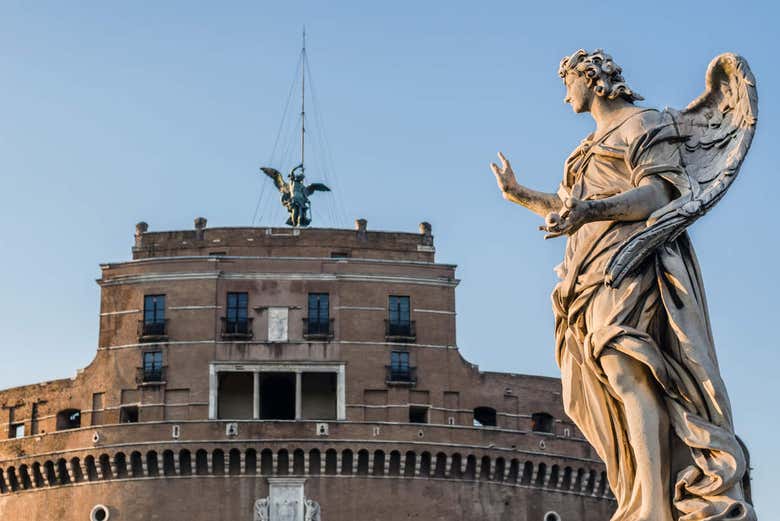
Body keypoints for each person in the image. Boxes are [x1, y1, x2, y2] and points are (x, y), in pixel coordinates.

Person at [490, 49, 754, 521]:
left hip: (632, 260)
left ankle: (652, 504)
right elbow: (570, 208)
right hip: (586, 272)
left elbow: (658, 194)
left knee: (626, 367)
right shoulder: (583, 150)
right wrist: (520, 194)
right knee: (609, 382)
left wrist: (592, 211)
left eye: (568, 82)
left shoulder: (644, 124)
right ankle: (638, 493)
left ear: (591, 79)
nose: (565, 93)